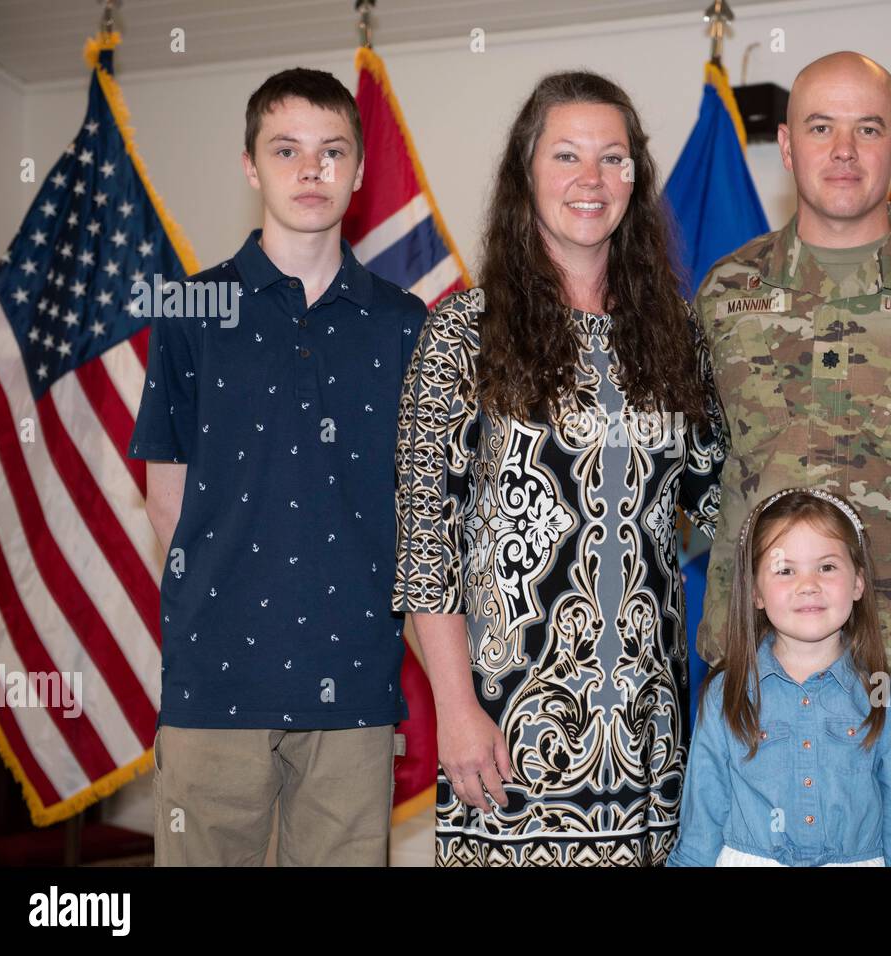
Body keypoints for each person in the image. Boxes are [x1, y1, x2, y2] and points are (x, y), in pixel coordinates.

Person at [392, 71, 725, 867]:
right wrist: (456, 711)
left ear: (636, 180)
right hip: (510, 730)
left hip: (650, 735)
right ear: (525, 173)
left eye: (614, 159)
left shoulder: (676, 334)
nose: (591, 179)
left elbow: (725, 504)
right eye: (567, 155)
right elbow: (423, 548)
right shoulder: (461, 335)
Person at [692, 50, 891, 865]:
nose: (843, 151)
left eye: (867, 129)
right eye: (821, 128)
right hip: (767, 663)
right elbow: (696, 467)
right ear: (788, 148)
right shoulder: (727, 293)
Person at [131, 68, 428, 865]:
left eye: (333, 151)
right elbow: (168, 501)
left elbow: (423, 509)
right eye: (286, 149)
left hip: (357, 680)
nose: (311, 169)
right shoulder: (191, 309)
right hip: (215, 680)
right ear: (249, 165)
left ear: (360, 173)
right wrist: (229, 610)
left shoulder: (405, 323)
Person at [668, 488, 891, 866]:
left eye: (826, 567)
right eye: (785, 570)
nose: (807, 585)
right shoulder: (725, 694)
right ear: (756, 591)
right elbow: (699, 833)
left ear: (858, 581)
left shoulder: (888, 699)